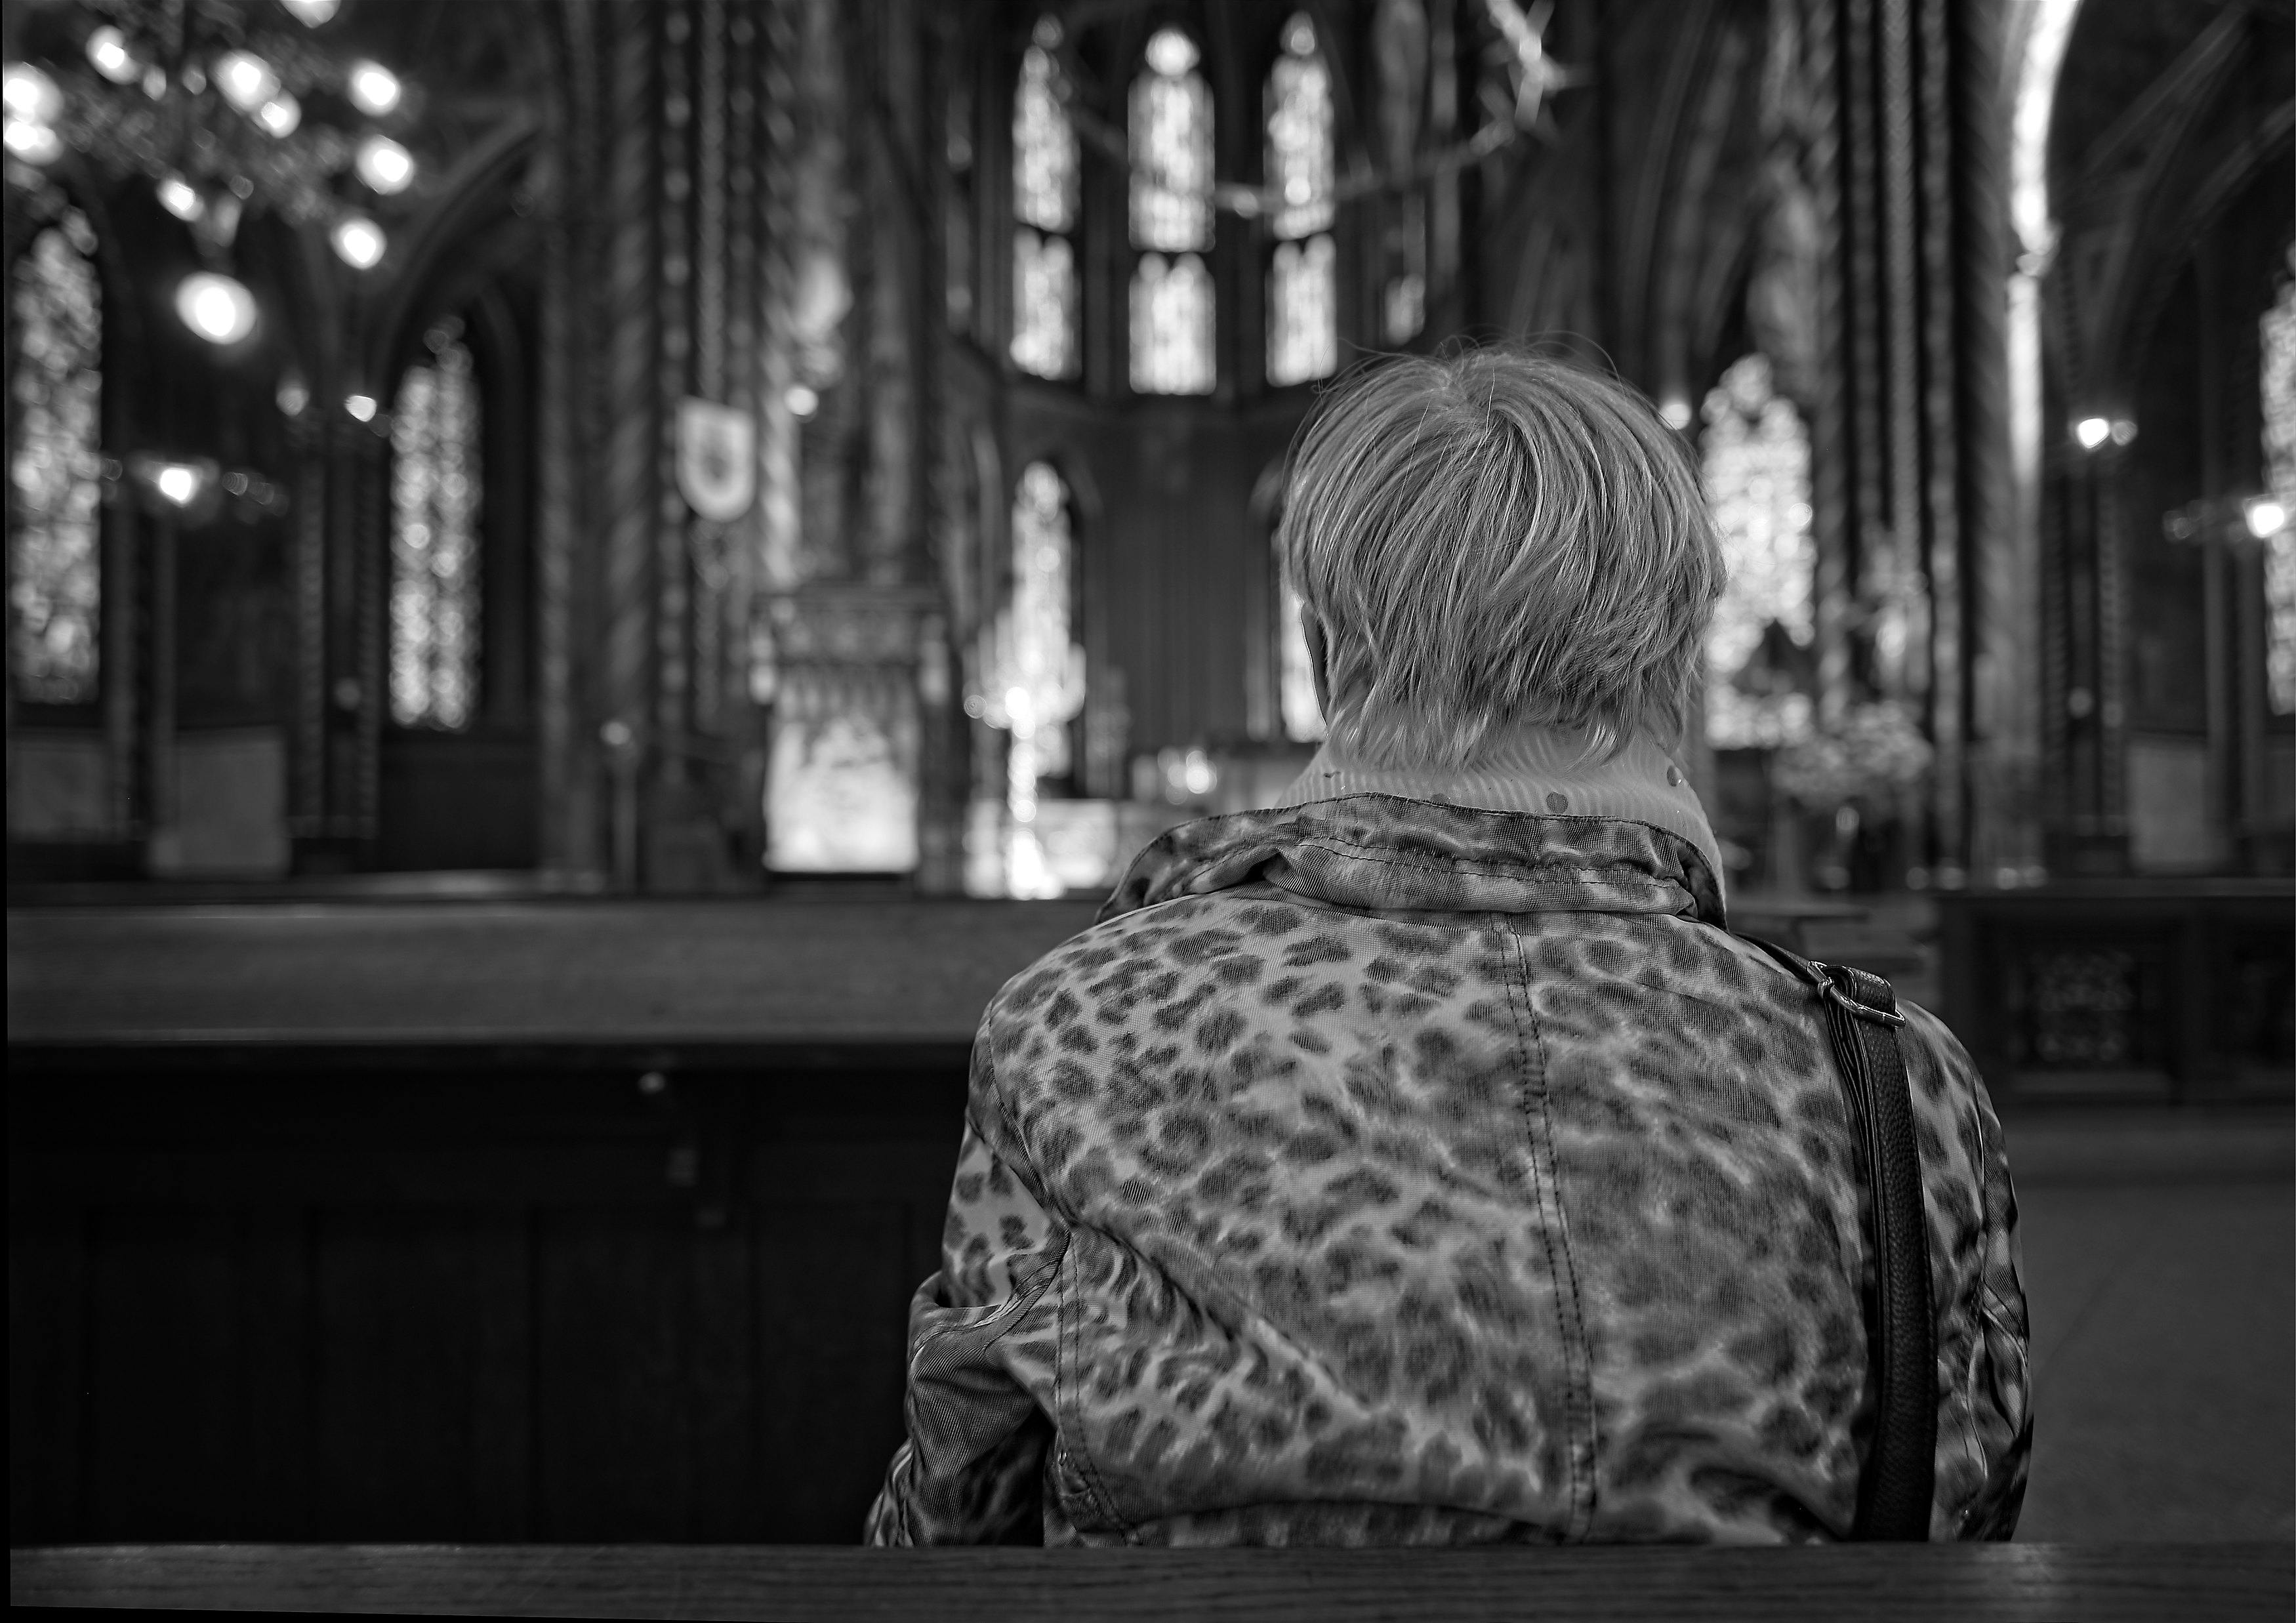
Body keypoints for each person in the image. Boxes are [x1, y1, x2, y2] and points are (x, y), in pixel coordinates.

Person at [865, 349, 2030, 1546]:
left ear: (1322, 660)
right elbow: (1965, 1506)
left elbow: (955, 1526)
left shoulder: (1076, 1026)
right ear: (1675, 672)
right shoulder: (1890, 1073)